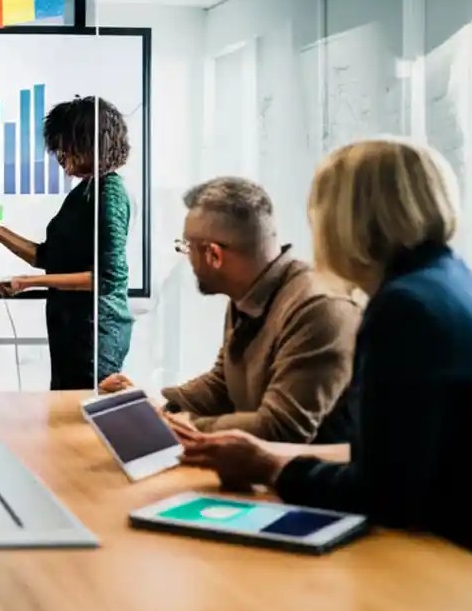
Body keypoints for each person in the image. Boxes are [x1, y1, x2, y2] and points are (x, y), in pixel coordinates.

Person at [180, 139, 472, 587]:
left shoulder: (404, 307)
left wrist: (270, 466)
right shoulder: (444, 282)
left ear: (345, 220)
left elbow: (381, 493)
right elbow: (384, 456)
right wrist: (265, 455)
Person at [101, 177, 362, 443]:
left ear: (214, 255)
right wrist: (154, 403)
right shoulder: (249, 294)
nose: (186, 258)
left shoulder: (318, 311)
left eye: (187, 248)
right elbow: (221, 385)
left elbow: (282, 428)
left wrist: (180, 424)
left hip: (303, 481)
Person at [0, 96, 133, 389]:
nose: (59, 153)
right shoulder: (85, 192)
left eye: (66, 144)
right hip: (72, 328)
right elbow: (47, 257)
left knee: (77, 417)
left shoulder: (109, 195)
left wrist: (30, 283)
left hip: (94, 334)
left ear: (91, 143)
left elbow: (107, 279)